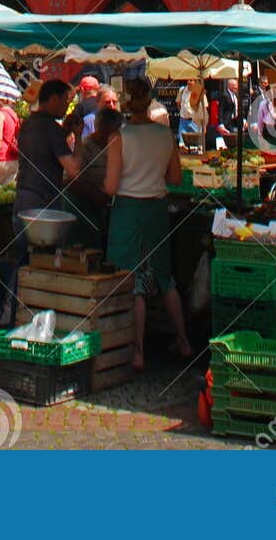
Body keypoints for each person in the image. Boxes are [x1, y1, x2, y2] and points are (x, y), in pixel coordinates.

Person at [103, 77, 193, 371]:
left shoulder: (119, 136)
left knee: (132, 280)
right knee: (164, 278)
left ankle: (137, 351)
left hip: (128, 209)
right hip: (156, 207)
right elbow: (176, 178)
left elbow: (111, 185)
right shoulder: (165, 134)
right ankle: (183, 339)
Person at [13, 80, 81, 222]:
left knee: (23, 243)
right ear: (54, 99)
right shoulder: (52, 128)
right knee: (45, 243)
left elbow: (44, 147)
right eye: (66, 101)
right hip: (44, 203)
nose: (67, 106)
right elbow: (74, 170)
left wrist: (66, 131)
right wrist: (78, 136)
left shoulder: (27, 124)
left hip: (23, 197)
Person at [69, 106, 124, 248]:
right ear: (101, 127)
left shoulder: (116, 145)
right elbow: (72, 180)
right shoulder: (85, 146)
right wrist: (96, 194)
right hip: (85, 205)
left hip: (106, 204)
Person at [178, 79, 208, 149]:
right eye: (188, 80)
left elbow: (204, 110)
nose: (189, 82)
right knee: (182, 146)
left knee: (198, 146)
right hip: (183, 122)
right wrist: (183, 112)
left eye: (191, 80)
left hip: (196, 123)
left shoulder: (200, 92)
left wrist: (204, 125)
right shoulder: (182, 90)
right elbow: (178, 103)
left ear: (195, 82)